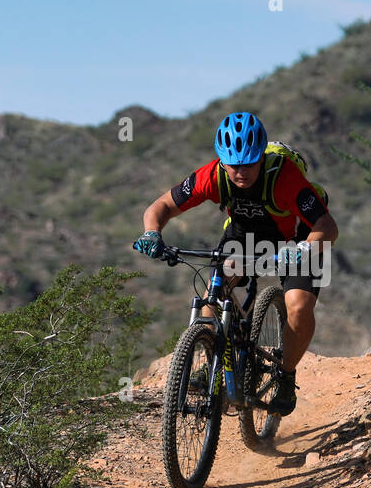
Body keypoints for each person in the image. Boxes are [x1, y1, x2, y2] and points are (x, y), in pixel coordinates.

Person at [134, 111, 338, 416]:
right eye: (232, 164)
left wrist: (303, 250)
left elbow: (327, 226)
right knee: (211, 297)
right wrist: (152, 233)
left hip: (298, 238)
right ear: (222, 160)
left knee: (297, 306)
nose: (240, 172)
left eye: (249, 163)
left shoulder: (284, 178)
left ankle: (286, 374)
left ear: (261, 157)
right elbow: (161, 206)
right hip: (245, 236)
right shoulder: (213, 175)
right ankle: (213, 362)